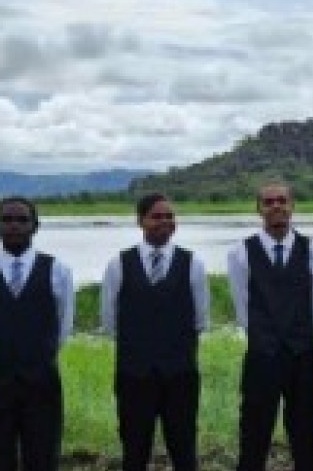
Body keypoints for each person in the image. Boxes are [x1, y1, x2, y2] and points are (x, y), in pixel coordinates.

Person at [0, 197, 75, 471]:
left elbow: (64, 324)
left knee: (43, 457)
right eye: (7, 220)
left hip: (41, 384)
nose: (14, 226)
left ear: (35, 226)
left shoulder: (58, 271)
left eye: (22, 220)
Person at [100, 192, 210, 471]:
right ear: (140, 221)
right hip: (134, 376)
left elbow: (200, 319)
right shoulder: (119, 264)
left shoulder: (193, 263)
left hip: (181, 375)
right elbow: (111, 321)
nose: (164, 221)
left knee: (184, 449)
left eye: (169, 216)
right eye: (156, 216)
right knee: (134, 450)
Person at [227, 182, 313, 471]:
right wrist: (263, 341)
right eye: (268, 202)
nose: (276, 206)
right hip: (262, 357)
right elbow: (242, 306)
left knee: (306, 437)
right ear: (258, 209)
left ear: (292, 205)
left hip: (303, 356)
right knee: (254, 436)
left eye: (282, 200)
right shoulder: (241, 253)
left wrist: (301, 338)